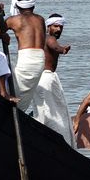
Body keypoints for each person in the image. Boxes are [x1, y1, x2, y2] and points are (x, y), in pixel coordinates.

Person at [31, 14, 75, 146]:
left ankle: (45, 139)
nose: (59, 29)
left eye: (61, 27)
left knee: (46, 111)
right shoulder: (49, 38)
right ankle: (58, 142)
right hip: (46, 78)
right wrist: (63, 49)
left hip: (42, 78)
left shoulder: (40, 38)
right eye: (56, 26)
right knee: (53, 112)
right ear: (48, 26)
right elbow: (55, 47)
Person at [1, 0, 46, 112]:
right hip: (40, 59)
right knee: (23, 92)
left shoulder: (15, 20)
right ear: (33, 6)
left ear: (18, 7)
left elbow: (1, 27)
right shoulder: (41, 19)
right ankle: (18, 111)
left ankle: (12, 110)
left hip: (27, 59)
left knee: (0, 62)